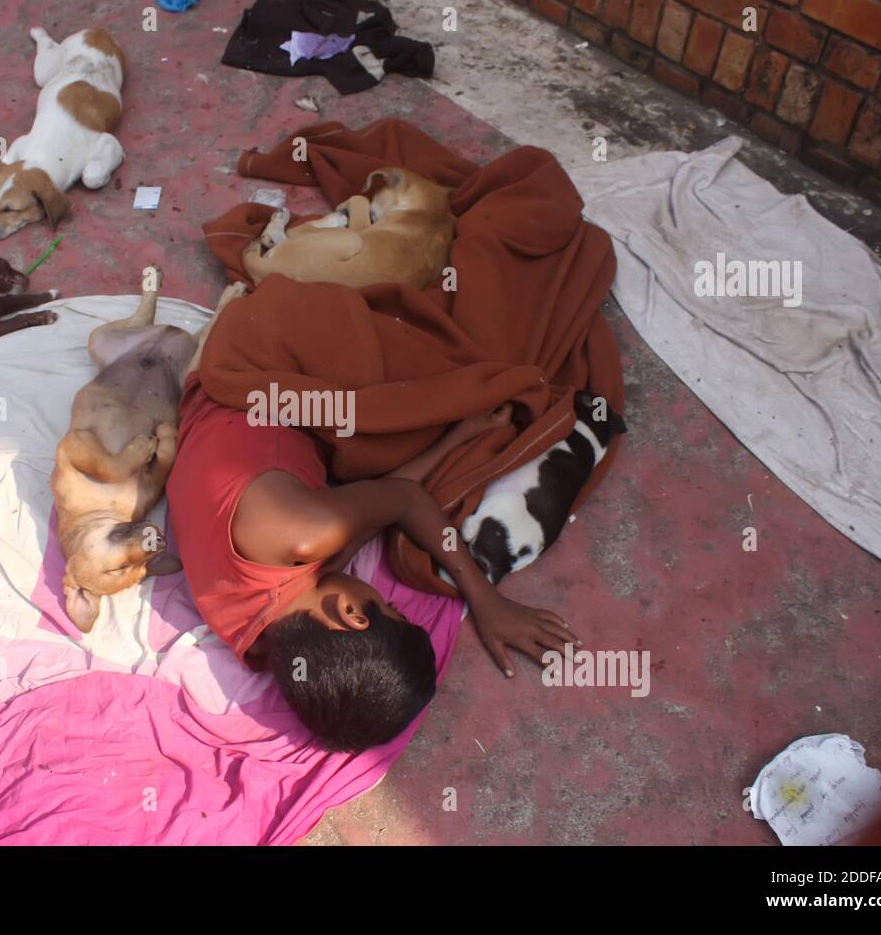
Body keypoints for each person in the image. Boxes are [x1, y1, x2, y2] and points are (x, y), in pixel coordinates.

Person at [165, 283, 578, 753]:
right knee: (415, 430)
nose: (383, 593)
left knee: (433, 386)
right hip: (241, 410)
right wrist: (457, 439)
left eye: (391, 606)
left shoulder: (303, 536)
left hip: (251, 364)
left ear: (349, 614)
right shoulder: (258, 638)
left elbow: (400, 501)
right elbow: (384, 506)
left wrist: (484, 599)